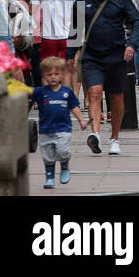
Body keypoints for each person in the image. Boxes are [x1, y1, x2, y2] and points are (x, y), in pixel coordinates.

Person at [75, 0, 139, 156]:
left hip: (117, 55)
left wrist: (132, 45)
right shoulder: (83, 0)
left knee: (116, 97)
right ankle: (95, 134)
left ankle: (115, 138)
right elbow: (74, 27)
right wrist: (71, 53)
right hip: (92, 56)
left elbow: (137, 22)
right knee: (94, 92)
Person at [29, 56, 88, 188]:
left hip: (63, 129)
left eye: (56, 74)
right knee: (48, 156)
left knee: (62, 151)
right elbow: (27, 92)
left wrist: (81, 120)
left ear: (62, 75)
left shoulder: (66, 92)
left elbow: (74, 107)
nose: (53, 77)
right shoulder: (40, 92)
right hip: (45, 130)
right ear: (44, 76)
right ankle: (49, 177)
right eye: (49, 74)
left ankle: (64, 164)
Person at [31, 0, 81, 82]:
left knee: (47, 71)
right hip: (67, 37)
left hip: (47, 36)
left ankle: (46, 100)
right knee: (66, 72)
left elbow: (34, 12)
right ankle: (65, 99)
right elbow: (78, 16)